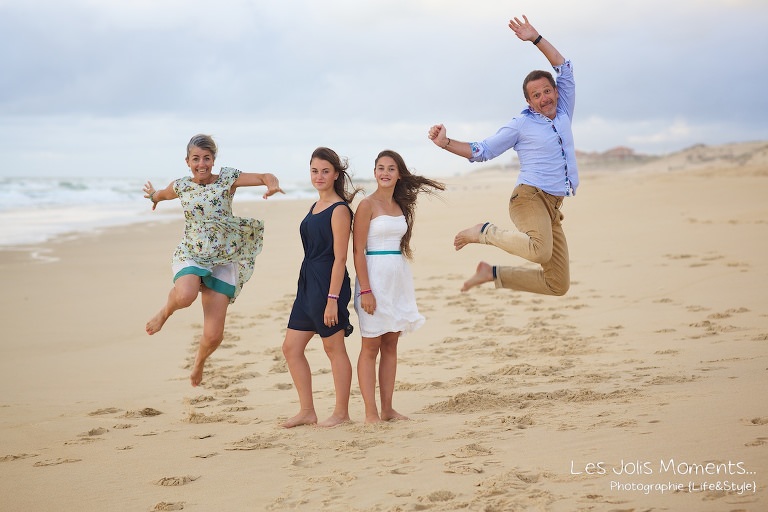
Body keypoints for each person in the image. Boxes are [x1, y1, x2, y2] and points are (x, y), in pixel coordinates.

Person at [428, 14, 577, 296]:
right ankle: (484, 231)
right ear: (529, 102)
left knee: (558, 284)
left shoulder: (564, 111)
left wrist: (536, 38)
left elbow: (565, 68)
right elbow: (482, 150)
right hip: (529, 197)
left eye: (548, 90)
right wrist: (446, 142)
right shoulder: (521, 124)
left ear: (556, 92)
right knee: (539, 251)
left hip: (553, 206)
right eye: (536, 95)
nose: (544, 97)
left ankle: (491, 273)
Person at [143, 134, 284, 387]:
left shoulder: (228, 179)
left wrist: (271, 185)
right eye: (196, 159)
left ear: (213, 160)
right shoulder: (181, 186)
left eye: (206, 158)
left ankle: (199, 362)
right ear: (187, 161)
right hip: (192, 252)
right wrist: (153, 196)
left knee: (214, 335)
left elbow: (265, 176)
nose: (202, 164)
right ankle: (164, 313)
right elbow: (162, 195)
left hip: (224, 257)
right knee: (185, 295)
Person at [352, 150, 444, 423]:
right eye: (380, 168)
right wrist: (366, 290)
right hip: (374, 278)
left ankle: (388, 409)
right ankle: (371, 413)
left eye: (391, 168)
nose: (385, 173)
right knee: (370, 346)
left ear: (398, 174)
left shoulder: (400, 206)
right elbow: (357, 251)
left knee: (391, 344)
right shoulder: (366, 205)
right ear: (374, 172)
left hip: (398, 278)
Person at [281, 147, 361, 428]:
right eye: (315, 171)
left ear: (336, 174)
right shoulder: (315, 206)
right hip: (307, 284)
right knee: (291, 348)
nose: (319, 176)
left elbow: (340, 258)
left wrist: (332, 299)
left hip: (329, 284)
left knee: (334, 349)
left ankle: (341, 413)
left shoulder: (339, 210)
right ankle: (307, 411)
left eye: (325, 171)